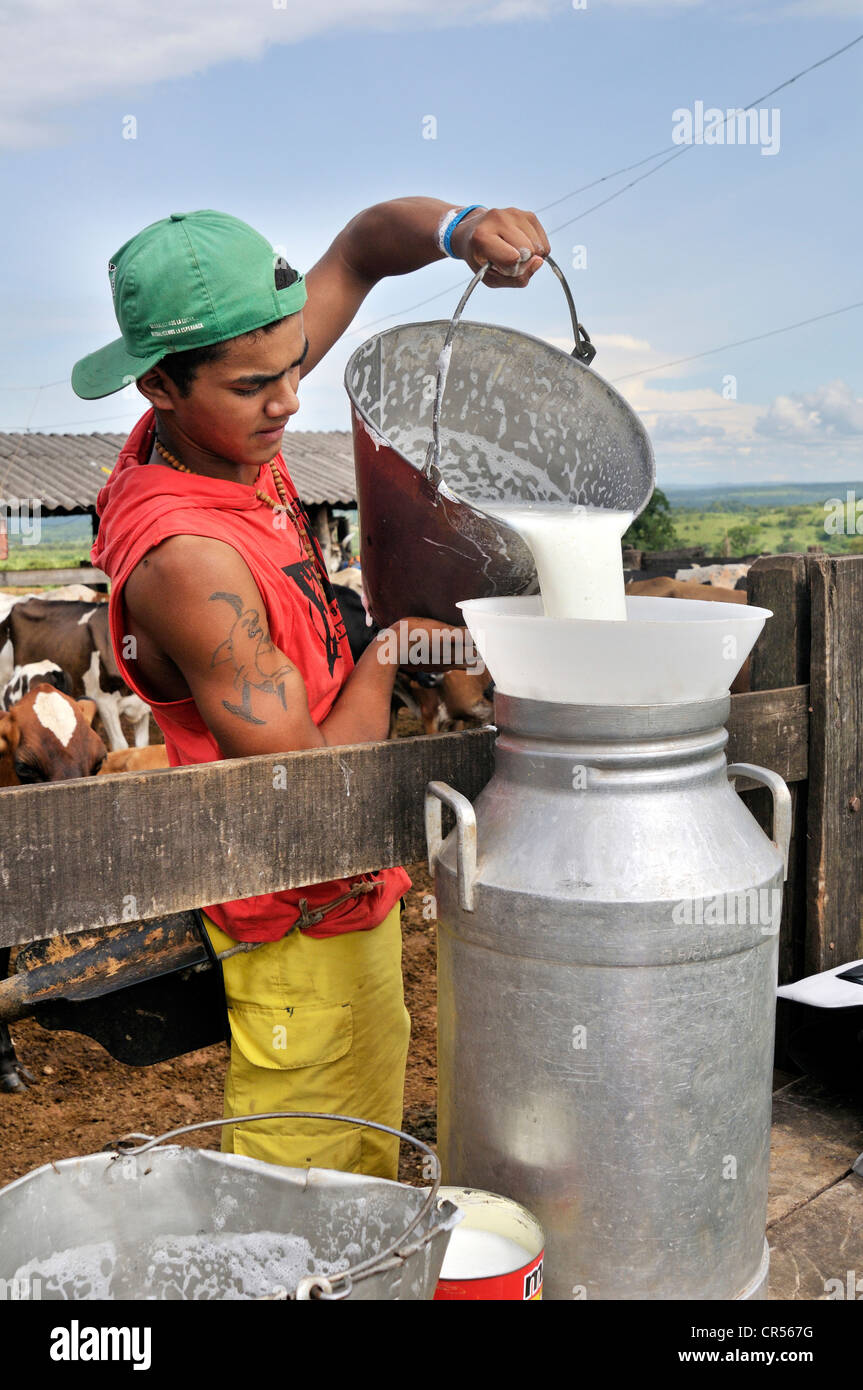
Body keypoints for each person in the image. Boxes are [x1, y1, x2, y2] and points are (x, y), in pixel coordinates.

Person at [73, 199, 551, 1178]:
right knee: (299, 1202)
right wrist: (381, 652)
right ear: (160, 383)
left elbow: (366, 245)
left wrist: (463, 228)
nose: (290, 401)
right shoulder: (188, 563)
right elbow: (312, 788)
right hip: (293, 919)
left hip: (349, 899)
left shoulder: (225, 414)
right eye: (258, 385)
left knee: (366, 1170)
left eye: (296, 363)